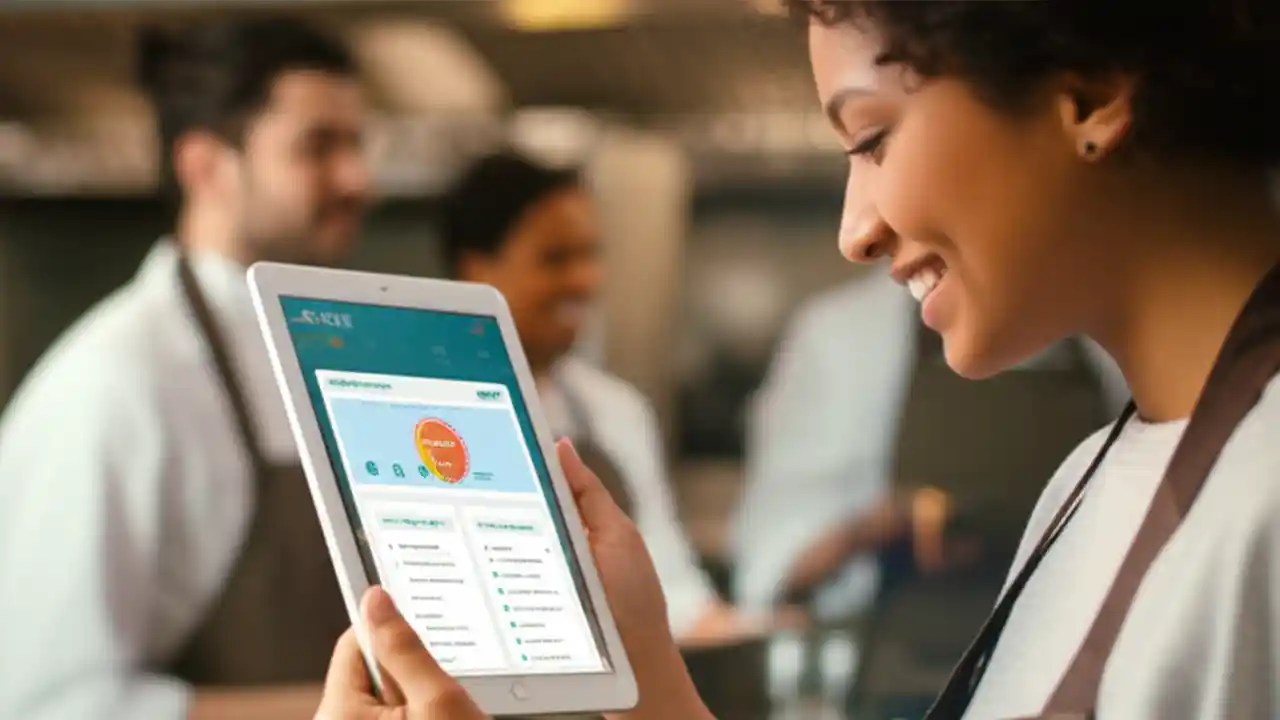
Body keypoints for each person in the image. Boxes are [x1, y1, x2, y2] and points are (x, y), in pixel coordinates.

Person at [320, 1, 1280, 717]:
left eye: (871, 137)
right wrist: (643, 659)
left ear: (1092, 92)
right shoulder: (1099, 471)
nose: (854, 230)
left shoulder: (1262, 495)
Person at [0, 18, 370, 719]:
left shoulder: (337, 343)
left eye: (357, 144)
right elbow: (48, 703)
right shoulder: (114, 381)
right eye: (318, 147)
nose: (359, 178)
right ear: (204, 166)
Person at [438, 151, 743, 643]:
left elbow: (666, 581)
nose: (585, 279)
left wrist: (742, 629)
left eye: (590, 256)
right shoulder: (419, 402)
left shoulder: (615, 411)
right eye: (555, 259)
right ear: (477, 268)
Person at [733, 269, 1130, 621]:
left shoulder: (1106, 331)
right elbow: (775, 564)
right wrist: (874, 529)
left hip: (1067, 660)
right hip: (903, 673)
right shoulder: (845, 335)